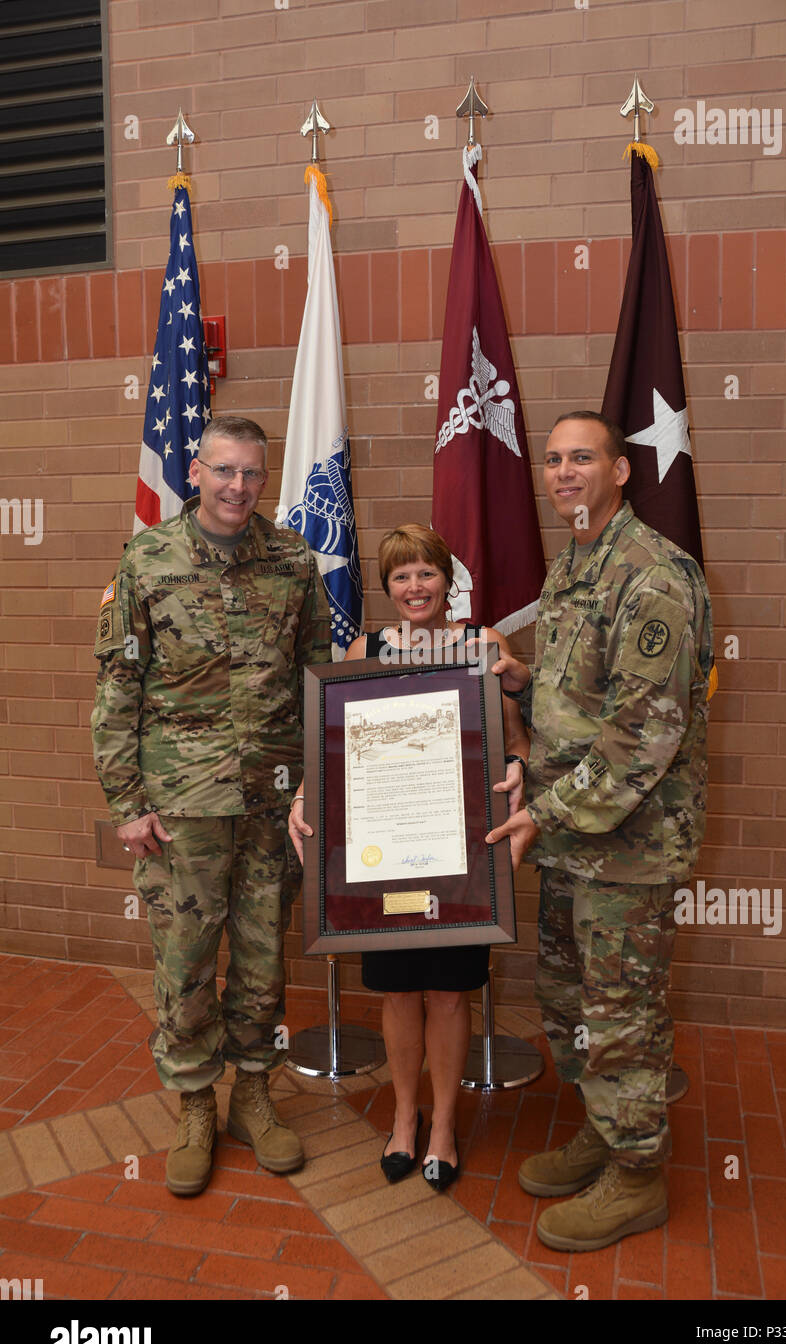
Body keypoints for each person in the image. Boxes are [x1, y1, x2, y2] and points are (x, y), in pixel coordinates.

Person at [487, 411, 713, 1251]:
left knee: (621, 1012)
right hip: (571, 840)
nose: (563, 472)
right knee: (568, 1000)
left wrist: (539, 815)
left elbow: (639, 738)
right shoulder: (576, 562)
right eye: (552, 460)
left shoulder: (651, 573)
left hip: (627, 845)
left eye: (582, 457)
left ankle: (638, 1175)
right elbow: (586, 687)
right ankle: (602, 1128)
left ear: (621, 470)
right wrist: (524, 674)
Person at [91, 415, 331, 1196]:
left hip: (271, 800)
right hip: (181, 805)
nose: (238, 488)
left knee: (262, 957)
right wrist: (126, 800)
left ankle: (253, 1094)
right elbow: (119, 685)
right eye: (224, 471)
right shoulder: (147, 559)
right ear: (194, 472)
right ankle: (196, 1101)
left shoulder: (293, 558)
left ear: (266, 480)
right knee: (187, 963)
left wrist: (319, 786)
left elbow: (317, 674)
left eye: (253, 474)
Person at [290, 524, 529, 1192]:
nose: (415, 586)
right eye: (401, 575)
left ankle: (445, 1127)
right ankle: (404, 1117)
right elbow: (336, 746)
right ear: (387, 586)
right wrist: (308, 791)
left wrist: (516, 780)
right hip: (385, 855)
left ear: (446, 579)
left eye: (426, 572)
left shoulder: (482, 645)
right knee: (397, 990)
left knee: (450, 993)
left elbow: (517, 742)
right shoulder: (367, 648)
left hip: (461, 855)